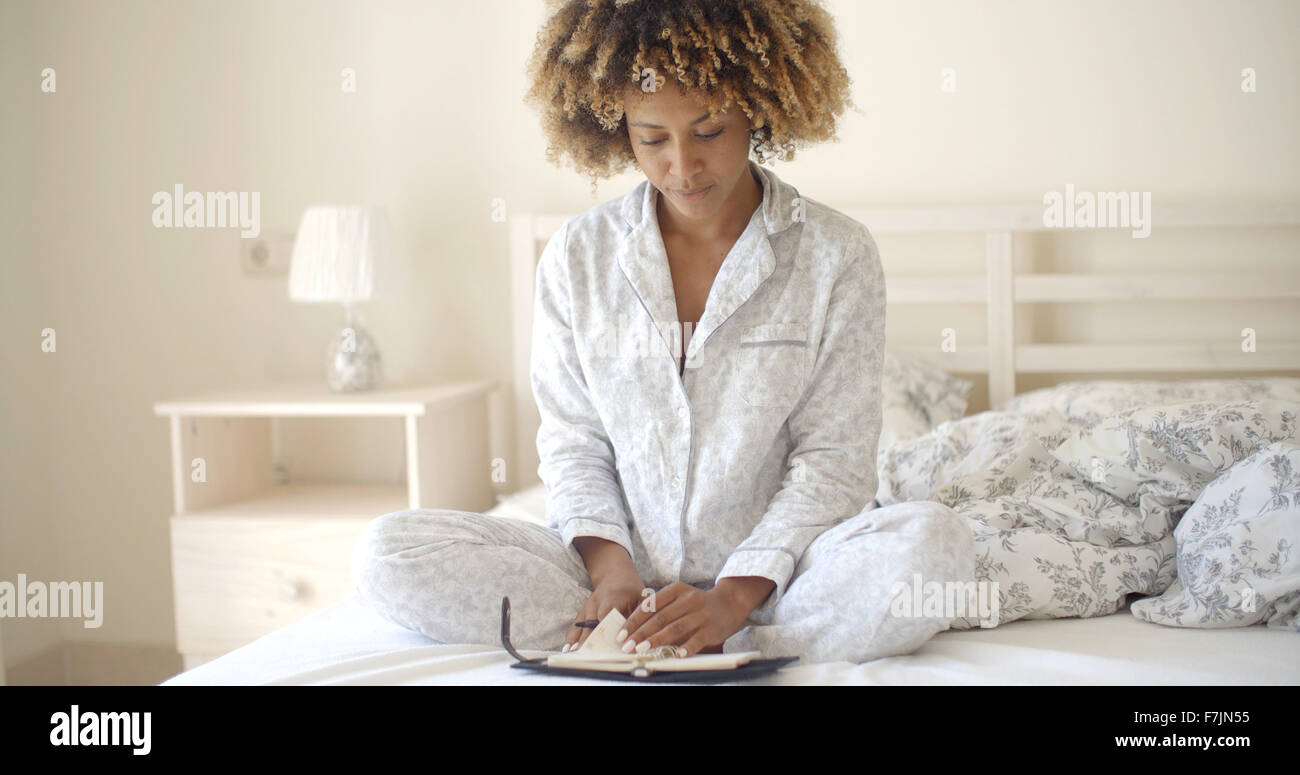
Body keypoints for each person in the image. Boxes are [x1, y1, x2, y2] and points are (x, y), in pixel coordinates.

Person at [350, 0, 975, 664]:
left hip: (778, 579)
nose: (683, 166)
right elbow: (574, 444)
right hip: (606, 572)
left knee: (936, 547)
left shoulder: (837, 254)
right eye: (652, 139)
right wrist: (612, 573)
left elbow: (834, 462)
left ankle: (716, 639)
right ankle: (637, 626)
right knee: (385, 553)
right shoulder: (575, 256)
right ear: (615, 127)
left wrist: (731, 599)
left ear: (758, 106)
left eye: (710, 130)